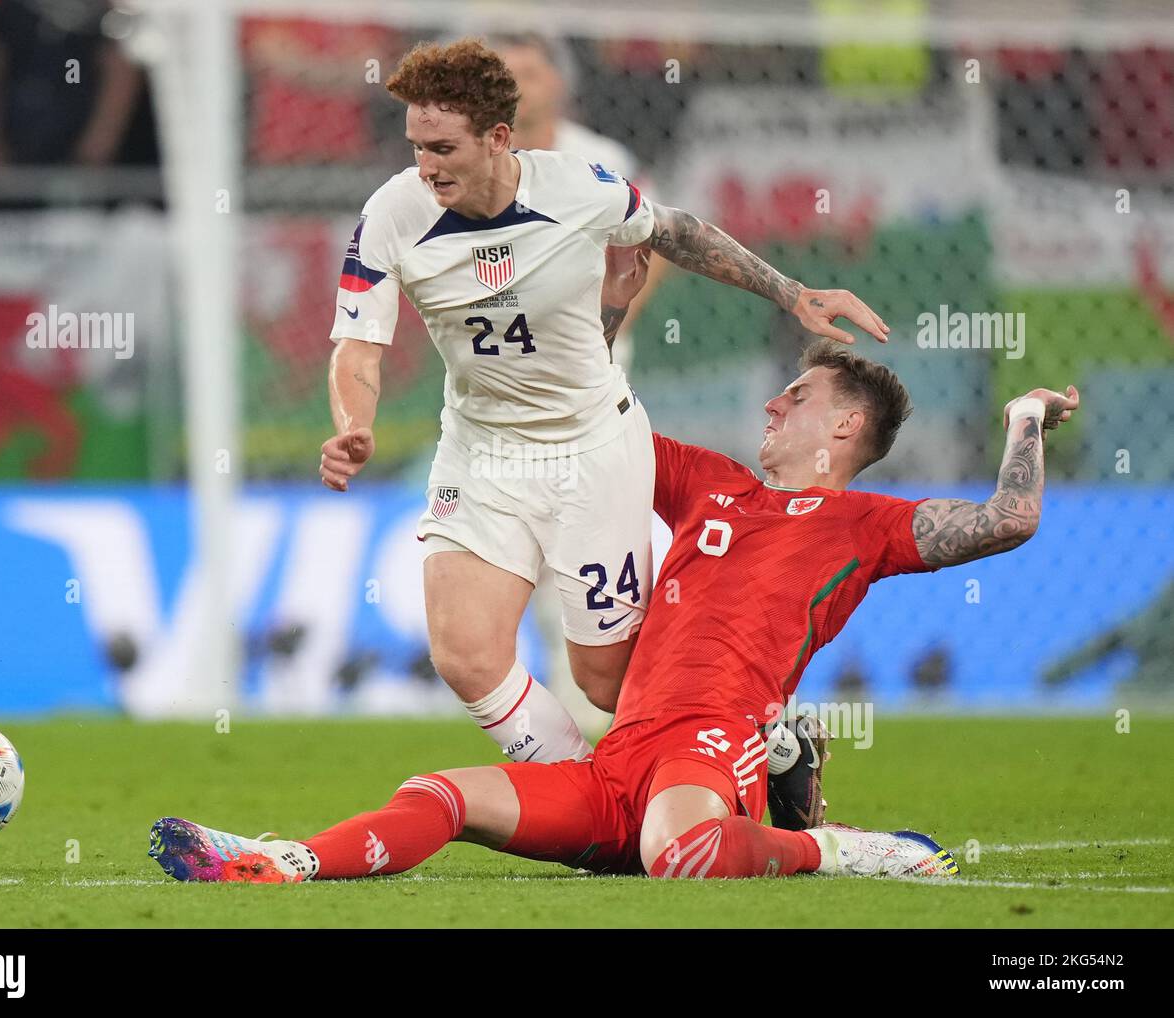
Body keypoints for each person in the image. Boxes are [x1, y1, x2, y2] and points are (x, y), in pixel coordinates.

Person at [151, 339, 1079, 882]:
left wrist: (1024, 418)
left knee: (679, 853)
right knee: (441, 792)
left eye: (797, 397)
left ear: (844, 428)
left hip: (711, 747)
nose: (772, 401)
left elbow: (1009, 518)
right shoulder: (713, 487)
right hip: (619, 757)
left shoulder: (862, 525)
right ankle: (281, 865)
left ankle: (834, 848)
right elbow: (607, 432)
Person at [319, 38, 888, 767]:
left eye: (442, 147)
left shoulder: (580, 186)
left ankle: (773, 744)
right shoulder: (394, 212)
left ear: (498, 139)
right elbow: (358, 346)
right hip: (480, 451)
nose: (425, 165)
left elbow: (678, 232)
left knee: (607, 683)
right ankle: (586, 790)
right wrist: (354, 427)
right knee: (465, 653)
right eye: (416, 146)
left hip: (592, 449)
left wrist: (791, 292)